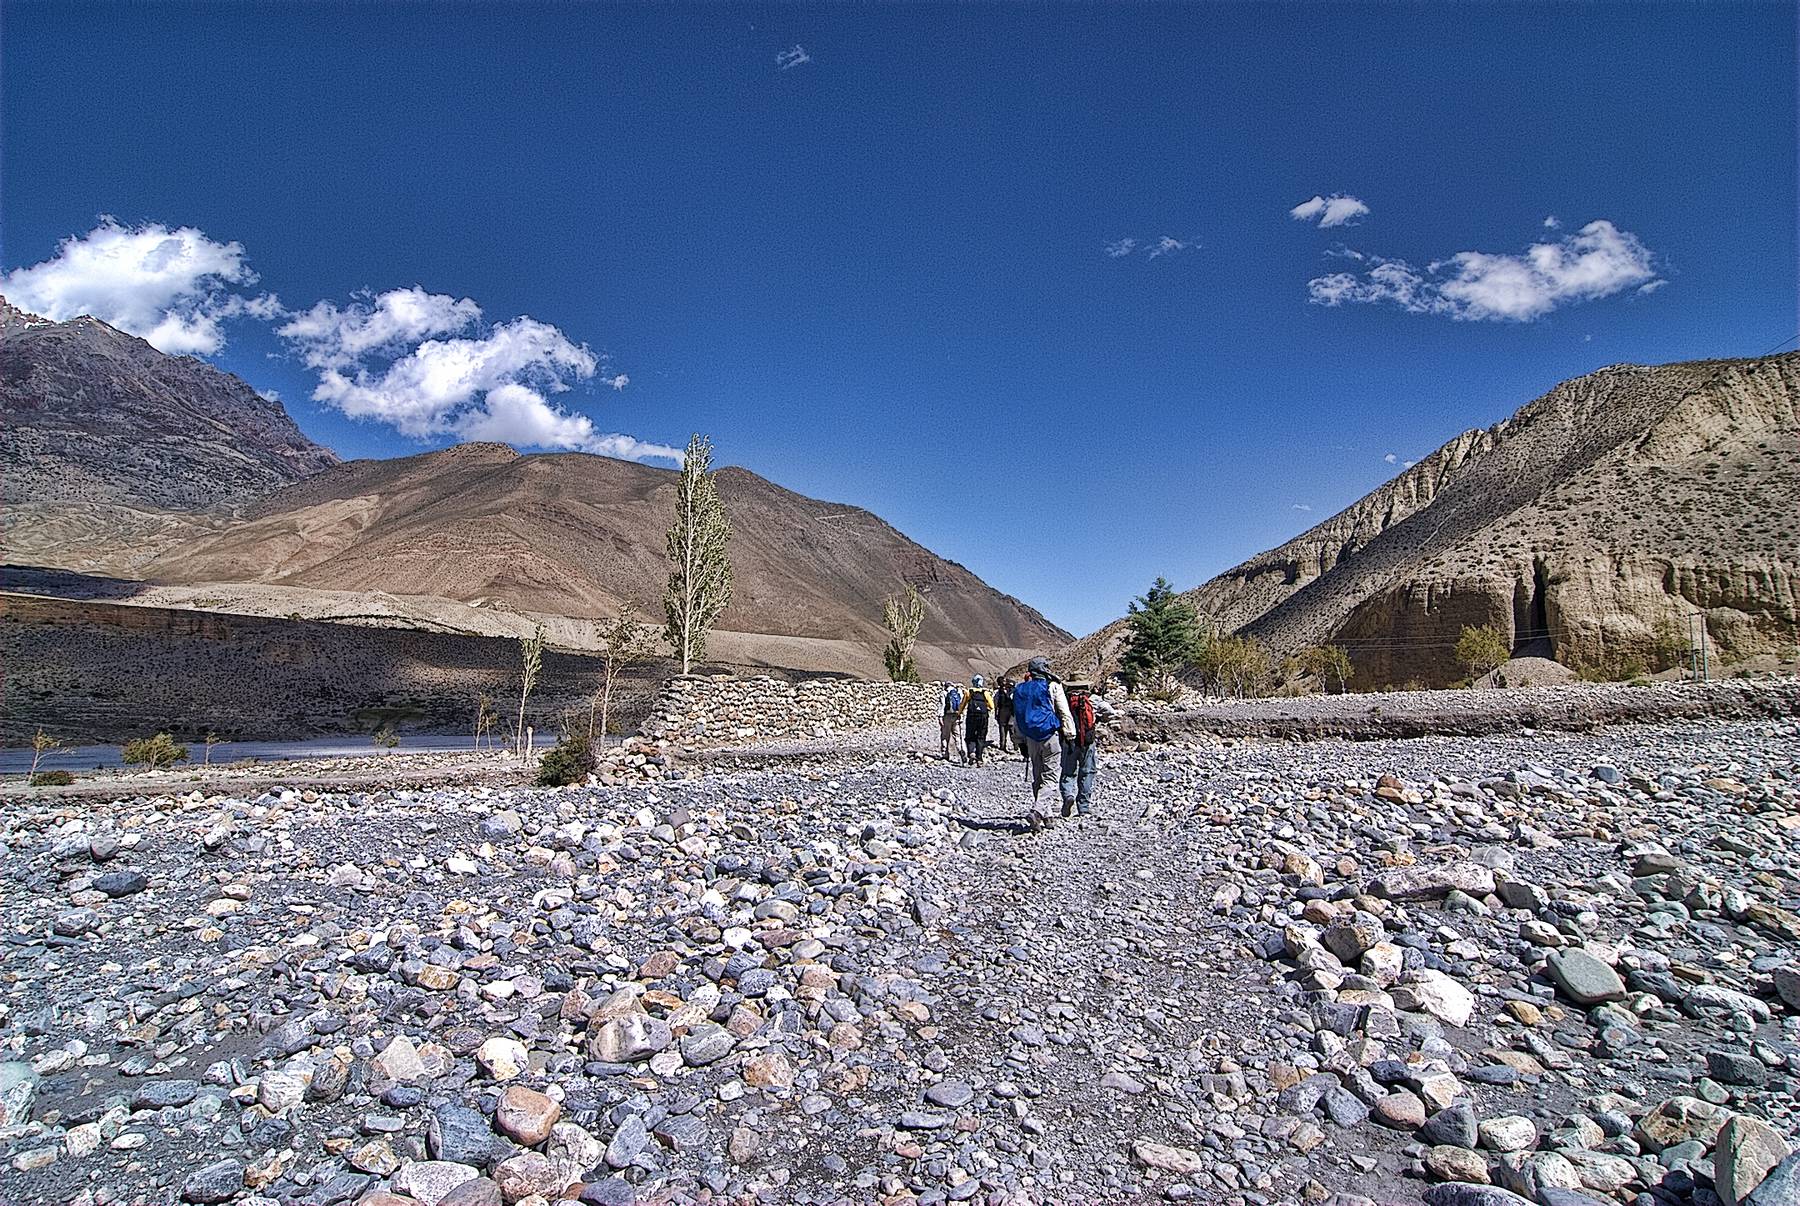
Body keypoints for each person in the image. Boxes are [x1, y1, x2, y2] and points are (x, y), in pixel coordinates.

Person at [1011, 656, 1074, 829]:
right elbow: (1064, 712)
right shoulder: (1053, 686)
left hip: (1030, 738)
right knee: (1051, 778)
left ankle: (1048, 818)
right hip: (1050, 736)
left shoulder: (1020, 689)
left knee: (1038, 777)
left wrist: (1018, 740)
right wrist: (1070, 735)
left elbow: (1017, 717)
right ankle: (1037, 812)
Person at [1058, 679, 1118, 817]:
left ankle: (1068, 795)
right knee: (1087, 772)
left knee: (1068, 771)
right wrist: (1099, 719)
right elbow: (1110, 712)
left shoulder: (1064, 699)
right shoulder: (1093, 699)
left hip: (1068, 741)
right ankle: (1083, 807)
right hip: (1088, 741)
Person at [961, 674, 994, 766]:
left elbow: (962, 705)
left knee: (970, 735)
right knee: (981, 737)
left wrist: (959, 713)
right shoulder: (985, 693)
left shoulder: (969, 692)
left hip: (971, 716)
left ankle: (971, 753)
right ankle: (979, 758)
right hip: (983, 717)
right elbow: (991, 706)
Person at [938, 681, 964, 761]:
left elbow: (942, 705)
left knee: (945, 736)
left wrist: (940, 717)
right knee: (957, 735)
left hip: (947, 717)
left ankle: (945, 754)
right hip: (957, 716)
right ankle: (961, 751)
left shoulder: (944, 693)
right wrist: (961, 716)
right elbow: (961, 704)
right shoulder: (958, 692)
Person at [994, 676, 1016, 754]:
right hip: (1007, 711)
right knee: (1008, 728)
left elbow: (996, 703)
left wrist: (996, 713)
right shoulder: (1007, 691)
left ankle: (1012, 745)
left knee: (1007, 728)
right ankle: (1006, 745)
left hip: (1005, 712)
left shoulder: (1000, 692)